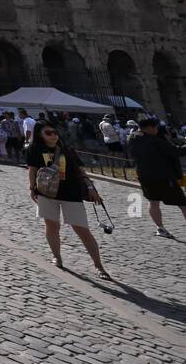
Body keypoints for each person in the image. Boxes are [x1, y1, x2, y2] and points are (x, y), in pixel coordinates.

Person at [26, 119, 111, 279]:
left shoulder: (67, 149)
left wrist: (91, 188)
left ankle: (99, 266)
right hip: (46, 193)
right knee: (52, 226)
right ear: (40, 134)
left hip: (71, 193)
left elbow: (81, 171)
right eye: (48, 133)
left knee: (82, 230)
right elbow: (32, 170)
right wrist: (31, 188)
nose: (53, 136)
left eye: (55, 132)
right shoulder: (34, 149)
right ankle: (57, 256)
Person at [126, 116, 186, 238]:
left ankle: (160, 228)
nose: (157, 130)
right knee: (183, 203)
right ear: (149, 128)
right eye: (156, 128)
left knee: (153, 202)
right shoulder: (154, 141)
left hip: (144, 176)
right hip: (163, 177)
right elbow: (175, 151)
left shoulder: (131, 138)